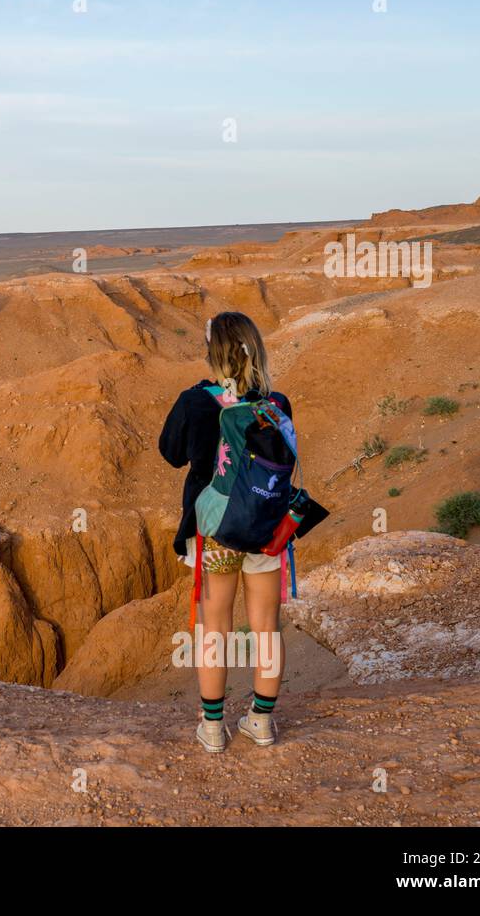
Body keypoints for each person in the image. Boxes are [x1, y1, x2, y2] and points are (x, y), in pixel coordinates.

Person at [157, 311, 293, 752]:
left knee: (214, 628)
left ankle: (213, 729)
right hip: (266, 528)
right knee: (266, 627)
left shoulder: (195, 401)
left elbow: (170, 452)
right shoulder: (276, 404)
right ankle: (261, 722)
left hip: (216, 531)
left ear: (211, 352)